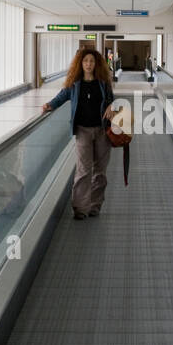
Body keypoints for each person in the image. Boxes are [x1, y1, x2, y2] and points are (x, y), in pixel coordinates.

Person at [42, 48, 115, 219]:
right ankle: (80, 208)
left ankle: (95, 205)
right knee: (83, 170)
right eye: (85, 61)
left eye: (91, 61)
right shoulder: (74, 85)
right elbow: (61, 97)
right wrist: (49, 105)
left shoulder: (103, 83)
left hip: (102, 130)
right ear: (80, 64)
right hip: (82, 131)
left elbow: (112, 99)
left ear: (96, 64)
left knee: (100, 171)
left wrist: (112, 106)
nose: (89, 64)